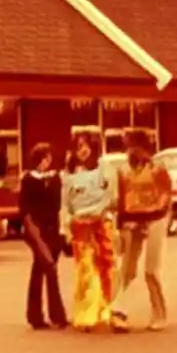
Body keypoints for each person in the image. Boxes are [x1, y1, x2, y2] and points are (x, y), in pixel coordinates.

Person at [111, 129, 172, 331]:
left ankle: (159, 313)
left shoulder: (158, 169)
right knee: (127, 268)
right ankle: (118, 309)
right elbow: (121, 200)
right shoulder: (123, 171)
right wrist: (121, 225)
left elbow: (165, 197)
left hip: (155, 219)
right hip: (132, 221)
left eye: (132, 146)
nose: (129, 151)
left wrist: (148, 218)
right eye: (128, 147)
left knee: (150, 271)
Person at [61, 132, 119, 332]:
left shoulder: (104, 169)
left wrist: (97, 210)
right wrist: (67, 225)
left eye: (86, 146)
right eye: (78, 147)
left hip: (101, 224)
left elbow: (110, 196)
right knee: (85, 270)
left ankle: (104, 309)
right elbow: (66, 204)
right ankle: (86, 314)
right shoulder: (69, 175)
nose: (83, 150)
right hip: (80, 227)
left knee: (105, 266)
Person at [19, 143, 67, 330]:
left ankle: (37, 316)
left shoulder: (56, 178)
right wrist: (31, 227)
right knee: (49, 267)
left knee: (40, 271)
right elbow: (24, 207)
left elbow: (59, 203)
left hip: (53, 229)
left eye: (49, 157)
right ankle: (56, 315)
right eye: (45, 157)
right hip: (36, 230)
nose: (48, 161)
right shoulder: (28, 179)